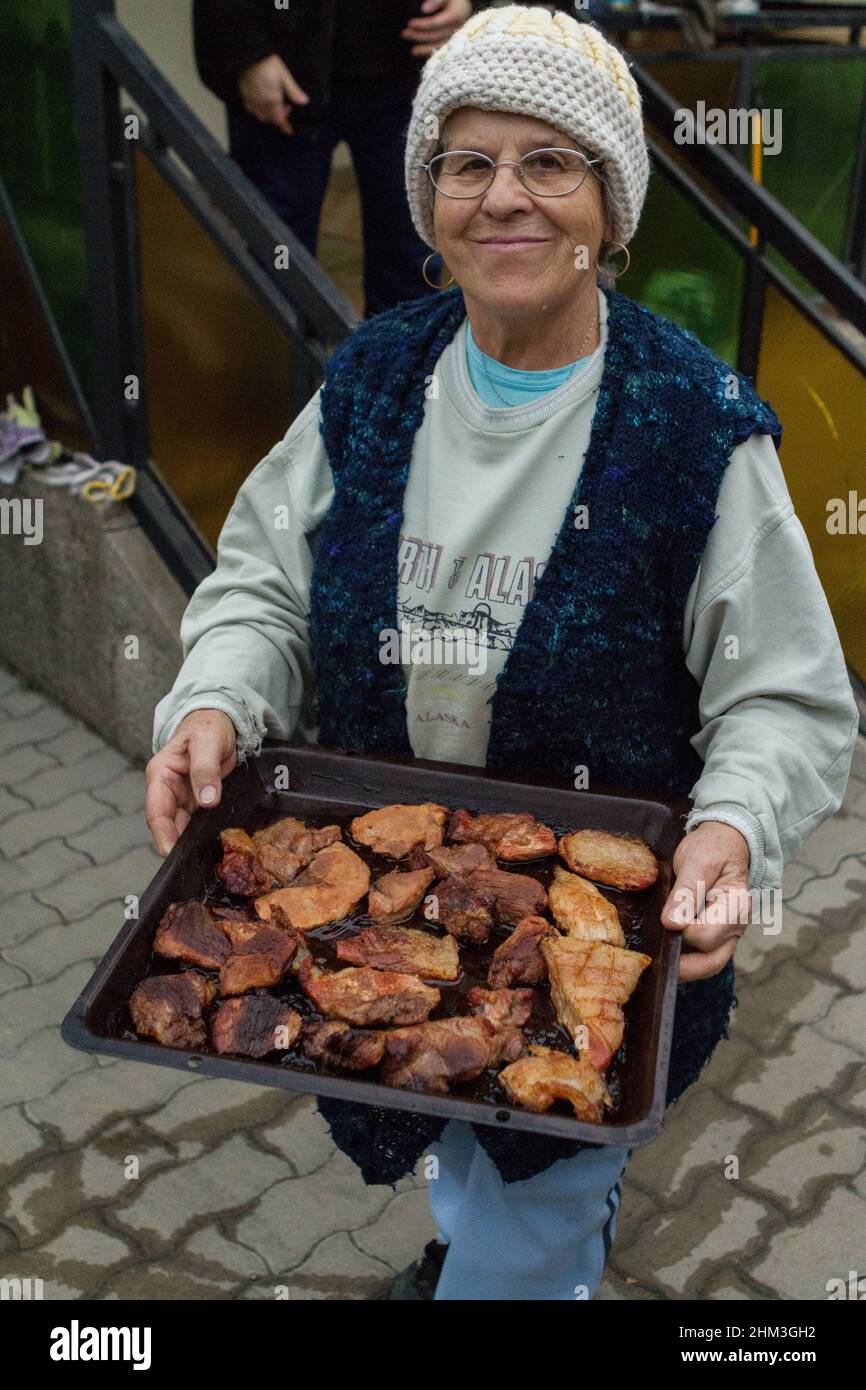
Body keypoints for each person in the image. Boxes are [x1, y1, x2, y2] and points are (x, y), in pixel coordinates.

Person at [149, 6, 858, 1300]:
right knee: (457, 1141)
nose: (503, 198)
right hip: (400, 913)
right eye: (466, 163)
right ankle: (468, 1234)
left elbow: (783, 695)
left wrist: (733, 830)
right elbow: (262, 581)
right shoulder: (369, 382)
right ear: (426, 199)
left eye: (550, 161)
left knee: (533, 1212)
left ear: (610, 204)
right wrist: (213, 698)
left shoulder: (689, 426)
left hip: (591, 954)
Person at [193, 0, 476, 315]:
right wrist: (246, 49)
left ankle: (398, 363)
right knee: (273, 264)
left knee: (410, 260)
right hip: (282, 60)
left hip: (407, 63)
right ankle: (273, 363)